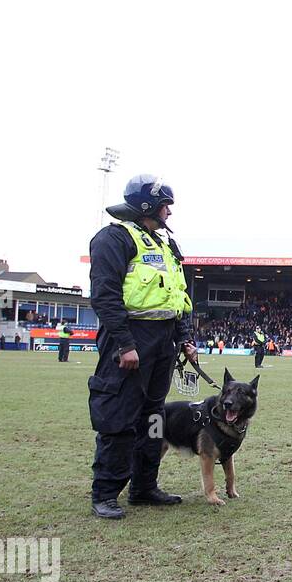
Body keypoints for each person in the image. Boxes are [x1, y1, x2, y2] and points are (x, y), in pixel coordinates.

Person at [87, 174, 197, 520]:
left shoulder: (164, 246)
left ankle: (144, 486)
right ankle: (105, 492)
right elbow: (105, 296)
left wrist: (185, 337)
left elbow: (176, 295)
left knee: (154, 417)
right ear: (148, 205)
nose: (169, 212)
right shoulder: (114, 238)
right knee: (119, 417)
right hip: (131, 339)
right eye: (166, 205)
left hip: (163, 341)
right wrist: (124, 344)